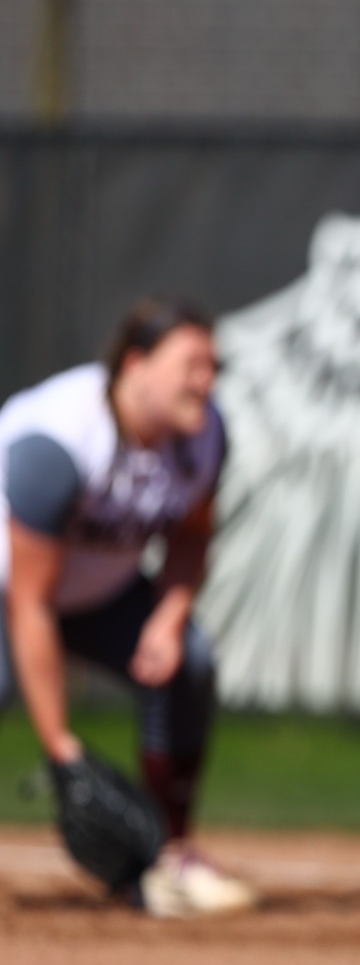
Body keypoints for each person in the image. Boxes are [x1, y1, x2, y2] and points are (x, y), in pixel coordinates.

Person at [0, 296, 257, 917]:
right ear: (135, 365)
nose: (207, 381)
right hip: (12, 587)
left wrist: (167, 620)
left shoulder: (203, 438)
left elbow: (192, 537)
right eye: (191, 364)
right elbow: (31, 603)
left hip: (96, 591)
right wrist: (61, 745)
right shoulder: (56, 443)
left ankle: (173, 854)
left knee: (188, 660)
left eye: (213, 366)